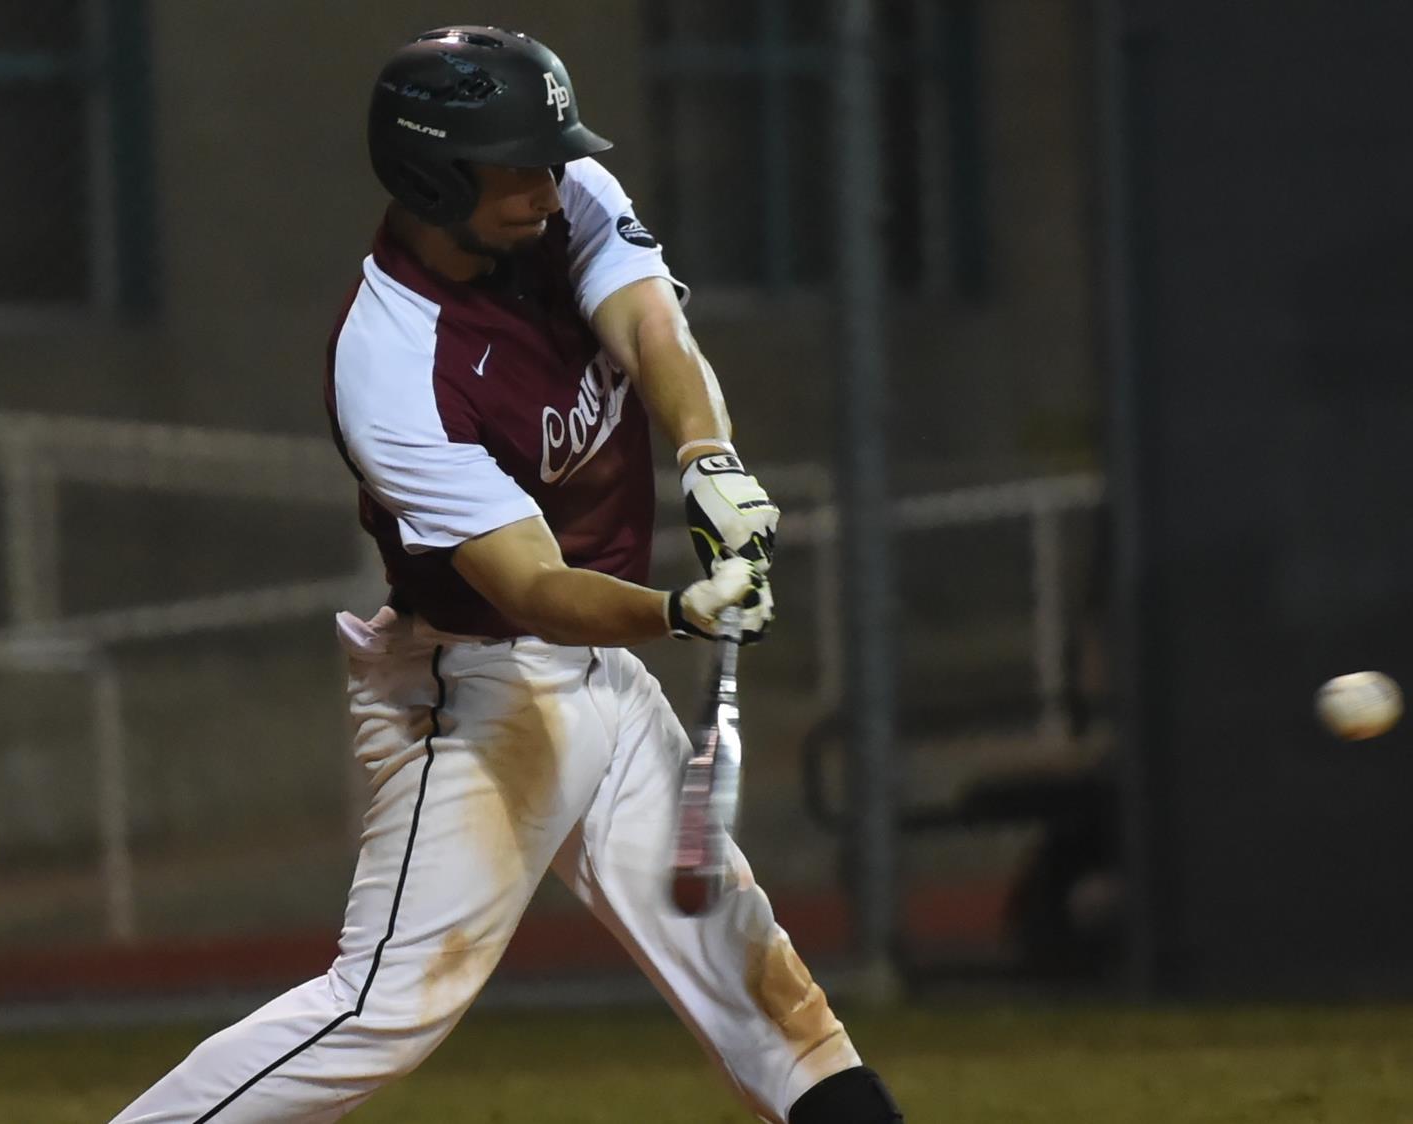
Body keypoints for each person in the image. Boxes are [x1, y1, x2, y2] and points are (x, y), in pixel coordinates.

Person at [111, 26, 903, 1124]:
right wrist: (677, 609)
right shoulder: (388, 362)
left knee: (753, 976)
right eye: (514, 163)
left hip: (599, 684)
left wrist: (706, 460)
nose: (547, 178)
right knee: (381, 1008)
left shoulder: (565, 196)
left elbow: (652, 329)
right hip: (476, 695)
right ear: (433, 175)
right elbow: (528, 586)